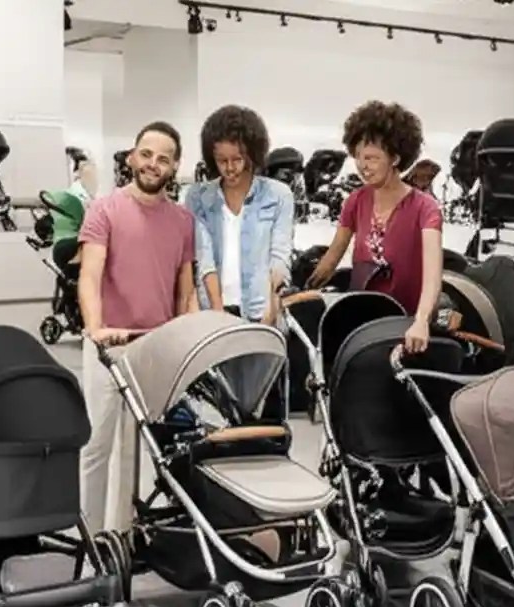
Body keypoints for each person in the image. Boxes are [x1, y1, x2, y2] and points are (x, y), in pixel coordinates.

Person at [77, 120, 197, 534]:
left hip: (155, 348)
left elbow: (185, 290)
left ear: (174, 167)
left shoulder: (183, 221)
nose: (152, 164)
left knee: (134, 449)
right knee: (96, 446)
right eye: (146, 154)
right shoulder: (104, 208)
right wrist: (95, 328)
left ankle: (123, 537)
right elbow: (89, 276)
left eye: (163, 158)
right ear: (132, 156)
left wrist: (186, 338)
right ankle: (92, 540)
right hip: (109, 343)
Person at [185, 104, 295, 419]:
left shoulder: (278, 195)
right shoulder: (198, 197)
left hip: (263, 313)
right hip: (216, 313)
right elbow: (202, 256)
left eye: (237, 160)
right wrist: (217, 314)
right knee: (219, 414)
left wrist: (273, 308)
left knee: (267, 413)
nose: (230, 168)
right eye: (221, 161)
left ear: (252, 155)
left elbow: (280, 254)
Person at [307, 101, 444, 353]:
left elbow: (433, 276)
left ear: (396, 158)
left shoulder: (426, 209)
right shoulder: (355, 201)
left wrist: (422, 321)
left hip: (403, 323)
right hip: (361, 323)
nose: (362, 165)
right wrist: (300, 289)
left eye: (371, 158)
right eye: (357, 157)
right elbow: (331, 260)